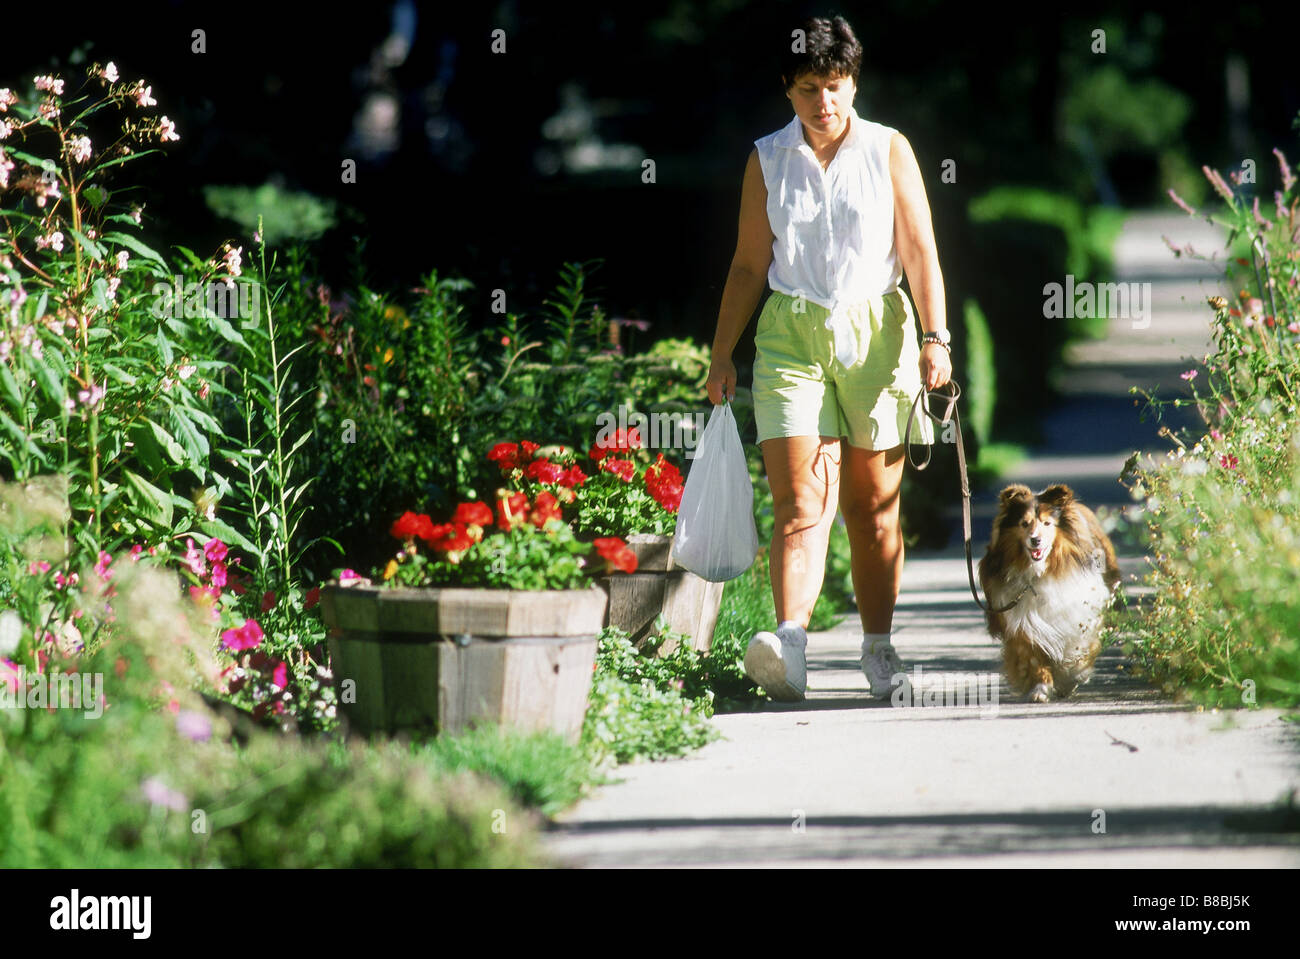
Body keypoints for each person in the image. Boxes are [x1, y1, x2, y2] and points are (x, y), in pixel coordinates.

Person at [704, 14, 952, 701]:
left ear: (853, 82)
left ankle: (877, 648)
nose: (825, 104)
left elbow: (920, 250)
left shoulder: (887, 149)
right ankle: (789, 643)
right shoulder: (766, 159)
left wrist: (936, 338)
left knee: (873, 509)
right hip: (790, 335)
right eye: (810, 88)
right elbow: (750, 265)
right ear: (787, 89)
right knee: (798, 501)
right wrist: (722, 354)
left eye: (836, 86)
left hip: (879, 332)